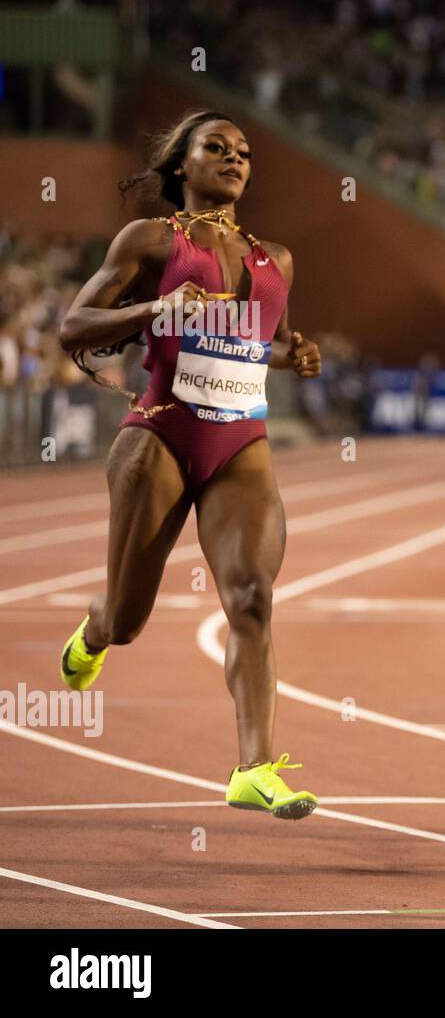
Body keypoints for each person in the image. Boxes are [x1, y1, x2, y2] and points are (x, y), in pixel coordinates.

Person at [57, 109, 323, 819]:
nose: (235, 158)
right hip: (163, 436)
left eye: (243, 151)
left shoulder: (278, 260)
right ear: (183, 165)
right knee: (129, 618)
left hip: (243, 443)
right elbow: (74, 326)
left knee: (252, 597)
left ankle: (253, 767)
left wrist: (291, 354)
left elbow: (256, 339)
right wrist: (156, 307)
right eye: (217, 147)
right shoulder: (149, 239)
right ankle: (95, 629)